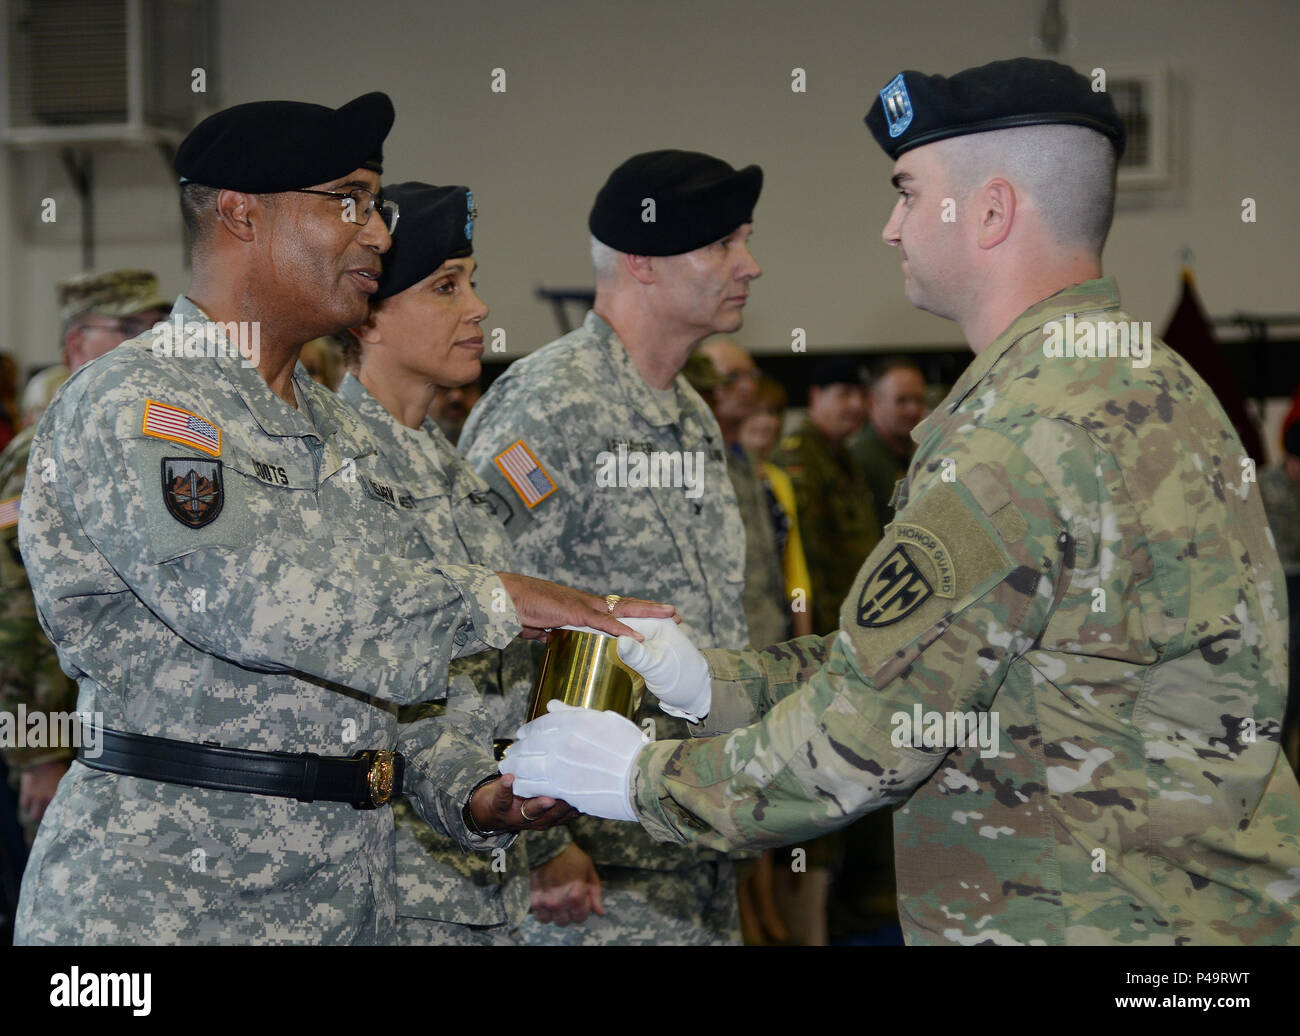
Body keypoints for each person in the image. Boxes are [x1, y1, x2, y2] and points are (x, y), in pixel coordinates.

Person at [502, 58, 1300, 945]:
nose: (890, 228)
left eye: (909, 193)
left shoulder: (1019, 437)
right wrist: (711, 683)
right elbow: (906, 666)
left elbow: (868, 733)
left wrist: (641, 781)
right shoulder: (1150, 380)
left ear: (990, 211)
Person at [14, 92, 673, 946]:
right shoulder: (143, 400)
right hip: (168, 902)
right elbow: (254, 604)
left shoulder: (343, 430)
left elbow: (361, 696)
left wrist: (473, 793)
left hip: (342, 901)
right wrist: (501, 597)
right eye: (348, 201)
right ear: (241, 216)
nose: (378, 234)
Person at [461, 149, 762, 945]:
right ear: (643, 262)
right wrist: (541, 839)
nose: (750, 265)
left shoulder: (688, 410)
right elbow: (479, 626)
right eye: (725, 244)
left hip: (688, 837)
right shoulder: (551, 406)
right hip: (594, 867)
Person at [338, 180, 543, 944]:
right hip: (396, 889)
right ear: (368, 318)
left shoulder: (448, 465)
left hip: (485, 872)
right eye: (446, 286)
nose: (479, 308)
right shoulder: (338, 468)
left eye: (474, 282)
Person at [0, 270, 169, 848]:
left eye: (154, 325)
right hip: (63, 732)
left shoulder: (132, 429)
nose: (148, 339)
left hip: (121, 726)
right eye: (128, 327)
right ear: (78, 343)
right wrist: (37, 750)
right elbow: (14, 604)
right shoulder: (44, 444)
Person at [771, 358, 877, 636]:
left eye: (862, 395)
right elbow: (803, 553)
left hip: (848, 614)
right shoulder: (798, 457)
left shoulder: (844, 457)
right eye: (844, 394)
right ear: (815, 396)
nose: (856, 405)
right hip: (820, 623)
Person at [849, 358, 928, 535]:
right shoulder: (860, 461)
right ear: (874, 403)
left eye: (919, 399)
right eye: (902, 400)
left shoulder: (916, 454)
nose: (913, 410)